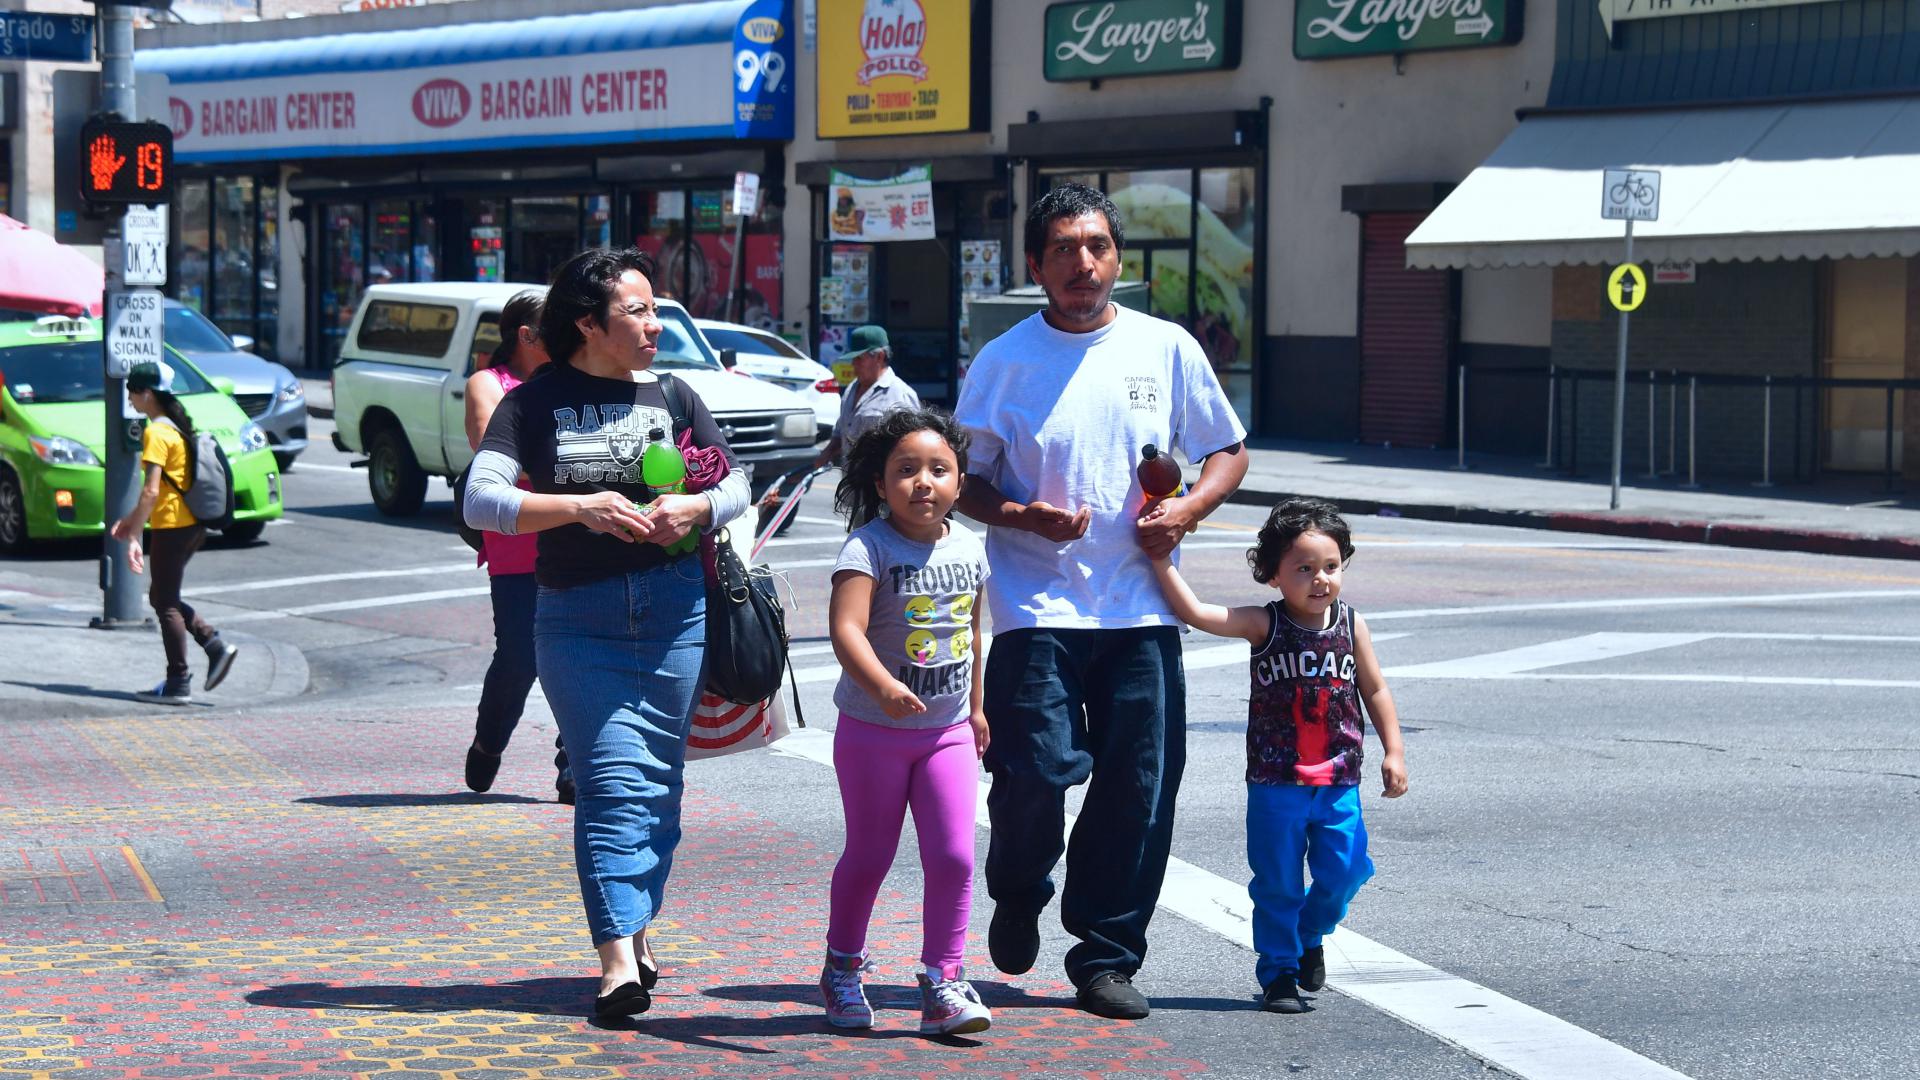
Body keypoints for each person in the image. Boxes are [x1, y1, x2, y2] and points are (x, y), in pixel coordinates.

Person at [951, 182, 1249, 1020]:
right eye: (1063, 251)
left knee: (1138, 787)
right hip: (1033, 606)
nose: (1083, 264)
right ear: (1036, 265)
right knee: (1036, 772)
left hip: (1145, 608)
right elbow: (963, 482)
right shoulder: (1005, 361)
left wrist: (1189, 508)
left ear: (1117, 256)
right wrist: (1019, 514)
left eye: (1097, 247)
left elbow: (1227, 449)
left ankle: (1106, 955)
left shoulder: (1167, 347)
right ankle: (1016, 884)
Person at [462, 248, 750, 1019]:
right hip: (577, 617)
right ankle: (617, 960)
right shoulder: (536, 400)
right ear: (589, 323)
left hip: (675, 611)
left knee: (659, 787)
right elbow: (480, 500)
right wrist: (578, 509)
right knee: (610, 781)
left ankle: (636, 924)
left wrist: (694, 509)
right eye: (639, 310)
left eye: (657, 309)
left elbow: (738, 483)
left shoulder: (676, 393)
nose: (656, 325)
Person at [1147, 498, 1407, 1013]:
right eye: (1304, 569)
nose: (1320, 580)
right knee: (1277, 884)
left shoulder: (1352, 625)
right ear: (1273, 575)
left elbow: (1374, 690)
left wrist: (1393, 751)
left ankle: (1312, 933)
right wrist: (1159, 559)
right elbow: (1197, 613)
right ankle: (1280, 973)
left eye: (1331, 567)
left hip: (1339, 783)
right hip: (1274, 785)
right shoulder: (1262, 625)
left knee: (1346, 872)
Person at [819, 408, 992, 1036]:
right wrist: (884, 687)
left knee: (953, 857)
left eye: (939, 470)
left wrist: (976, 709)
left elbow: (973, 631)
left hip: (946, 732)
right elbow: (846, 630)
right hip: (873, 732)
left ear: (960, 481)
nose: (924, 482)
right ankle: (842, 970)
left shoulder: (970, 545)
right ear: (880, 484)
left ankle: (944, 981)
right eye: (906, 471)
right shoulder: (868, 546)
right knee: (870, 855)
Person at [460, 292, 573, 804]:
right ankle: (489, 742)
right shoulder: (488, 384)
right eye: (554, 327)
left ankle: (573, 765)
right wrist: (571, 469)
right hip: (516, 538)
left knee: (578, 652)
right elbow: (495, 455)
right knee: (520, 656)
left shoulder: (572, 378)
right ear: (526, 335)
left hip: (576, 532)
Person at [109, 360, 240, 706]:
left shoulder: (156, 433)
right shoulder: (178, 428)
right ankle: (212, 645)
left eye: (132, 391)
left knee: (165, 601)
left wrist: (133, 533)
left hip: (172, 526)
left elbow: (151, 491)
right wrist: (131, 523)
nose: (130, 397)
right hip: (191, 524)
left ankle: (178, 681)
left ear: (147, 394)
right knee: (161, 596)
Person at [811, 325, 921, 470]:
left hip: (881, 487)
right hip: (850, 484)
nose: (853, 364)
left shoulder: (900, 395)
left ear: (880, 356)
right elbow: (841, 431)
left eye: (859, 358)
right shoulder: (851, 389)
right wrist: (827, 452)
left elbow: (914, 446)